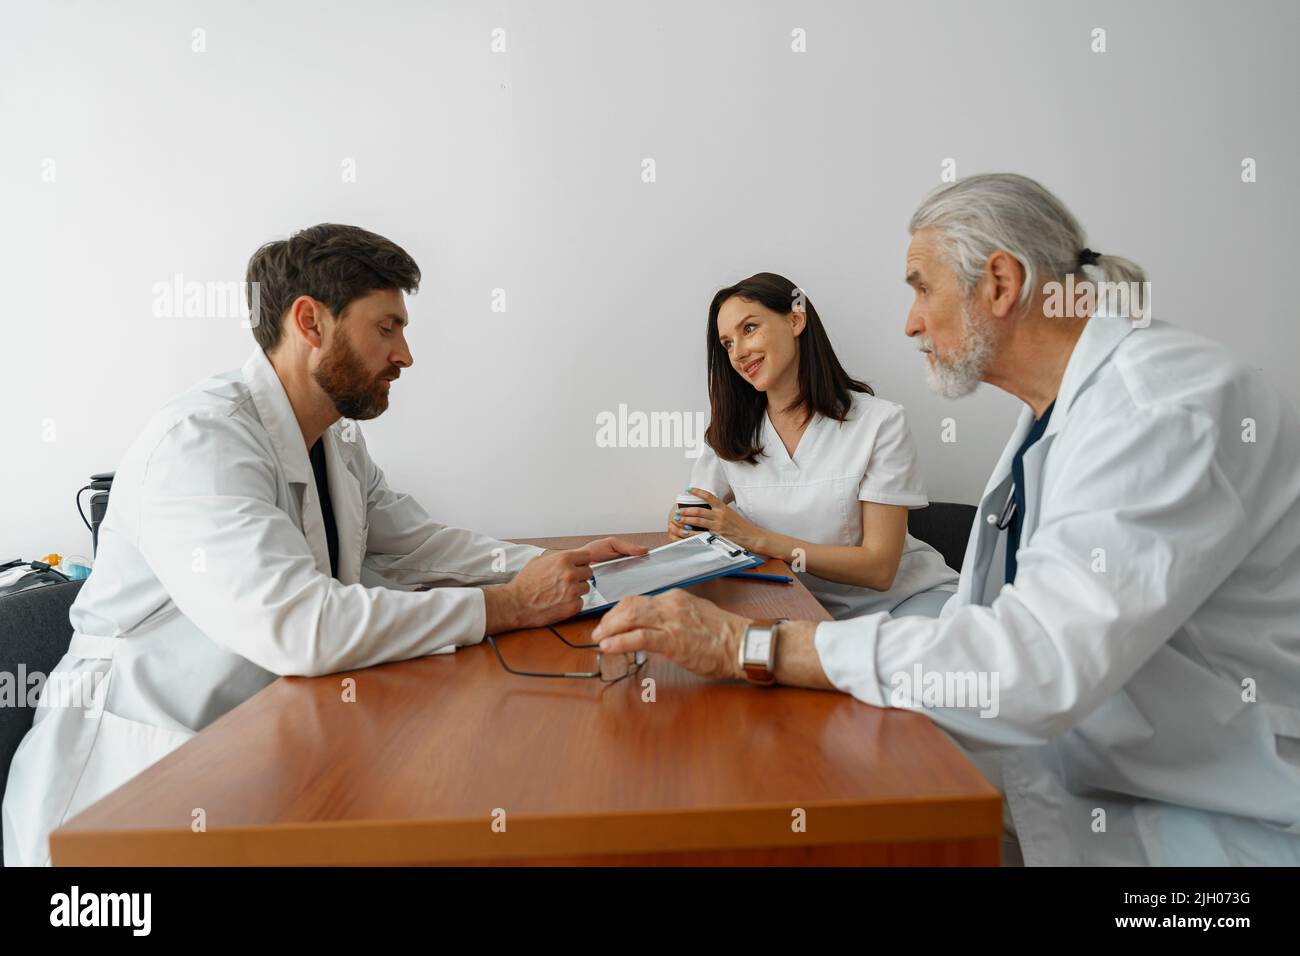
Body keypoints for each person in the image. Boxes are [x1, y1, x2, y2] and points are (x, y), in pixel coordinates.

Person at [594, 174, 1300, 866]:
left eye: (921, 288)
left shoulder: (1160, 412)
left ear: (999, 283)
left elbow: (1034, 666)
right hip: (1078, 777)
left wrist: (757, 647)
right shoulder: (1055, 418)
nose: (909, 321)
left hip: (1213, 826)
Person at [2, 224, 645, 866]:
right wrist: (511, 605)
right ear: (310, 321)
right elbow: (300, 626)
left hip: (253, 749)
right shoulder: (201, 443)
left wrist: (551, 566)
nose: (406, 355)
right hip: (127, 793)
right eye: (386, 328)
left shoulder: (332, 437)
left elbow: (411, 541)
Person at [668, 272, 957, 619]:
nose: (739, 353)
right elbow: (699, 512)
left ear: (795, 319)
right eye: (727, 343)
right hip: (799, 611)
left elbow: (879, 569)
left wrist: (755, 538)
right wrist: (684, 523)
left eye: (749, 329)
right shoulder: (731, 433)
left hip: (903, 604)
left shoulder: (880, 423)